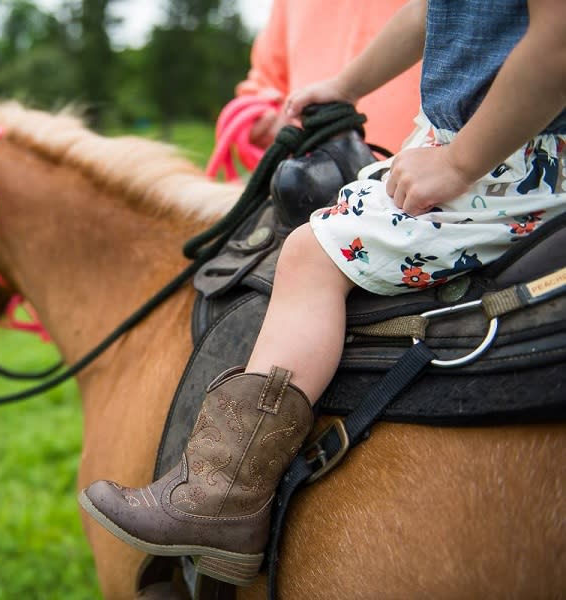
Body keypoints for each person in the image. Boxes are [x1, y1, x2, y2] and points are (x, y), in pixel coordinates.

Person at [80, 0, 566, 587]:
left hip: (509, 160)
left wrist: (459, 163)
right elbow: (430, 13)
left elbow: (558, 40)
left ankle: (224, 492)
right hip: (477, 148)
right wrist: (343, 85)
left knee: (311, 255)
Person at [206, 0, 420, 180]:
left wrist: (452, 163)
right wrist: (265, 119)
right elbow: (265, 81)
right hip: (314, 180)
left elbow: (426, 18)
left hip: (421, 184)